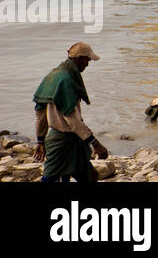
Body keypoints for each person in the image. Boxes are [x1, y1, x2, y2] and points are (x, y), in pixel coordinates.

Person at [33, 43, 108, 183]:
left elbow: (40, 113)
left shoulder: (54, 75)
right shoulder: (66, 80)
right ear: (79, 59)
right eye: (87, 60)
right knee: (50, 178)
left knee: (91, 176)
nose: (87, 64)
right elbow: (72, 121)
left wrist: (40, 139)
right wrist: (96, 144)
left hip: (70, 139)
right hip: (62, 141)